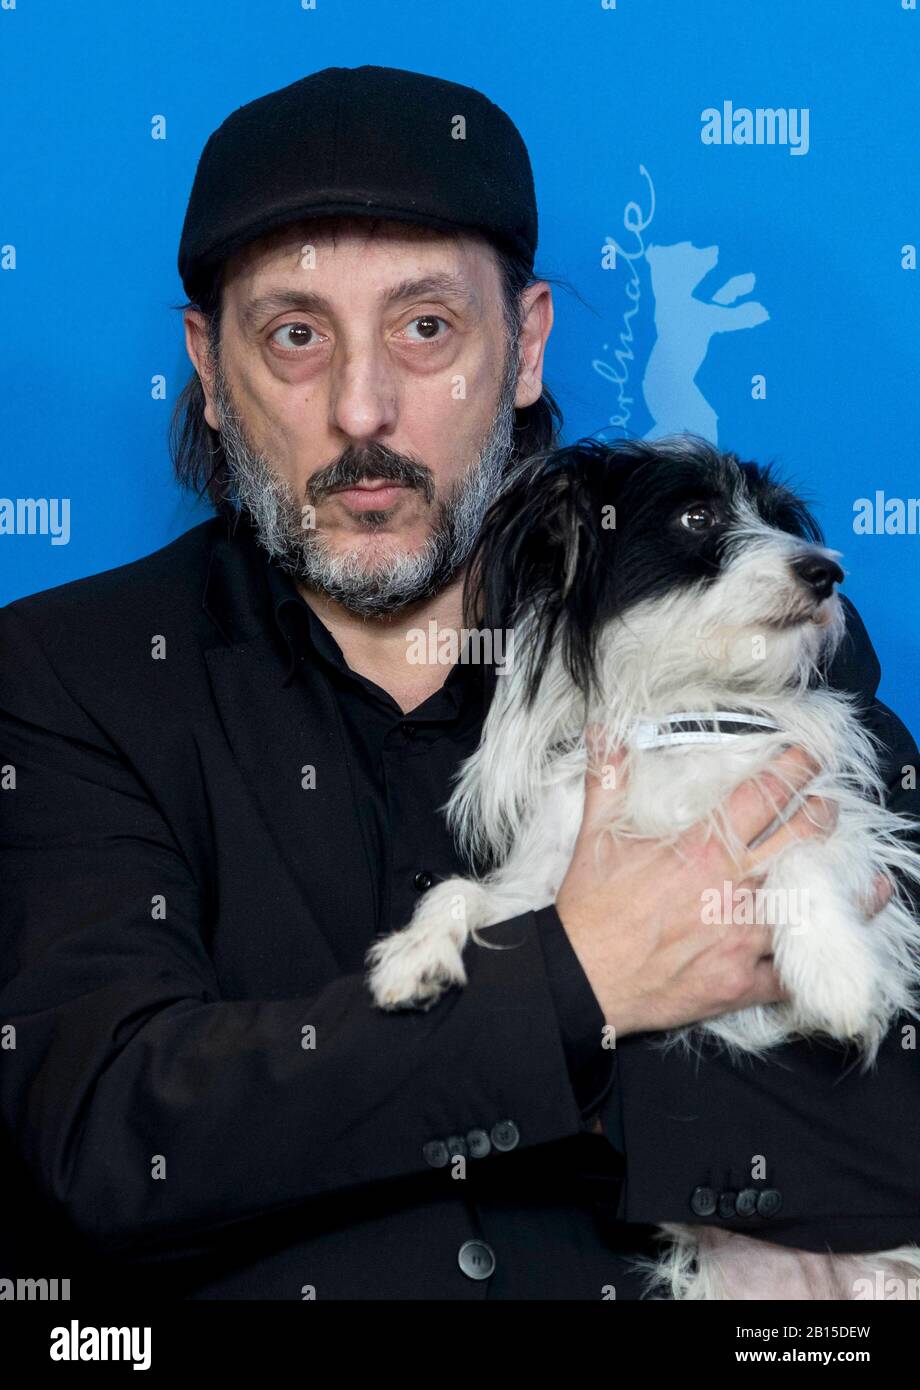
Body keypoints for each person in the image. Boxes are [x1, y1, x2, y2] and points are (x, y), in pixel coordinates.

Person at [1, 66, 918, 1301]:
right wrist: (578, 984)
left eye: (424, 326)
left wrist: (410, 1076)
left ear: (526, 344)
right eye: (294, 334)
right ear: (208, 368)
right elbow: (112, 1133)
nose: (361, 410)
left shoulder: (755, 650)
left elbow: (888, 1126)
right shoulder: (69, 675)